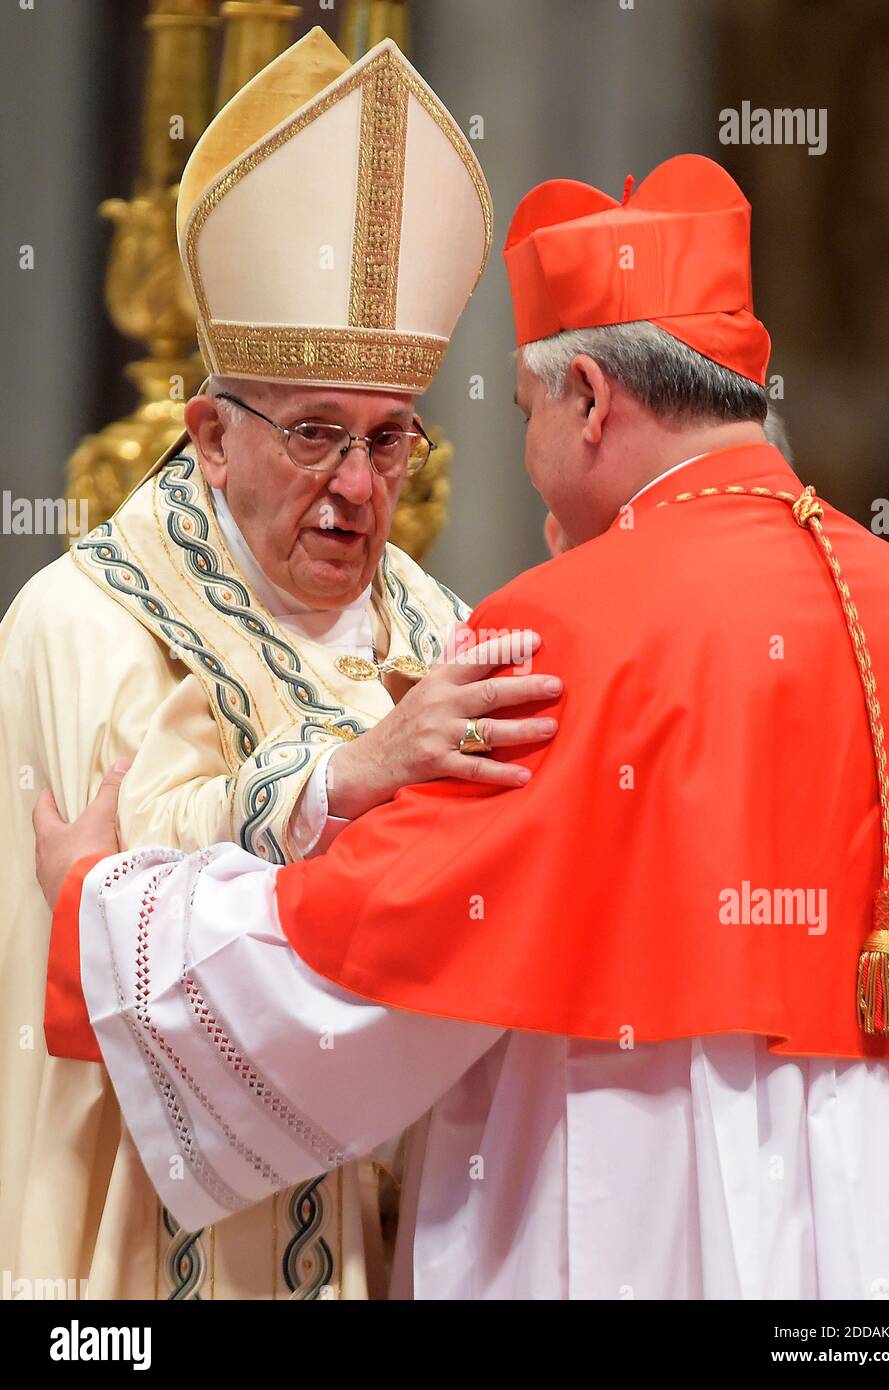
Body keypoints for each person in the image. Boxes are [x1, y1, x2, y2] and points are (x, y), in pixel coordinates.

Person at [37, 155, 889, 1300]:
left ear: (588, 400)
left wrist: (109, 912)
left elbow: (375, 953)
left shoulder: (566, 627)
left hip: (639, 1213)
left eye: (525, 417)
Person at [0, 29, 561, 1301]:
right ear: (209, 432)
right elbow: (111, 893)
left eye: (389, 439)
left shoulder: (437, 626)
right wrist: (345, 777)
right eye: (314, 434)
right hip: (142, 1241)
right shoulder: (83, 617)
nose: (357, 490)